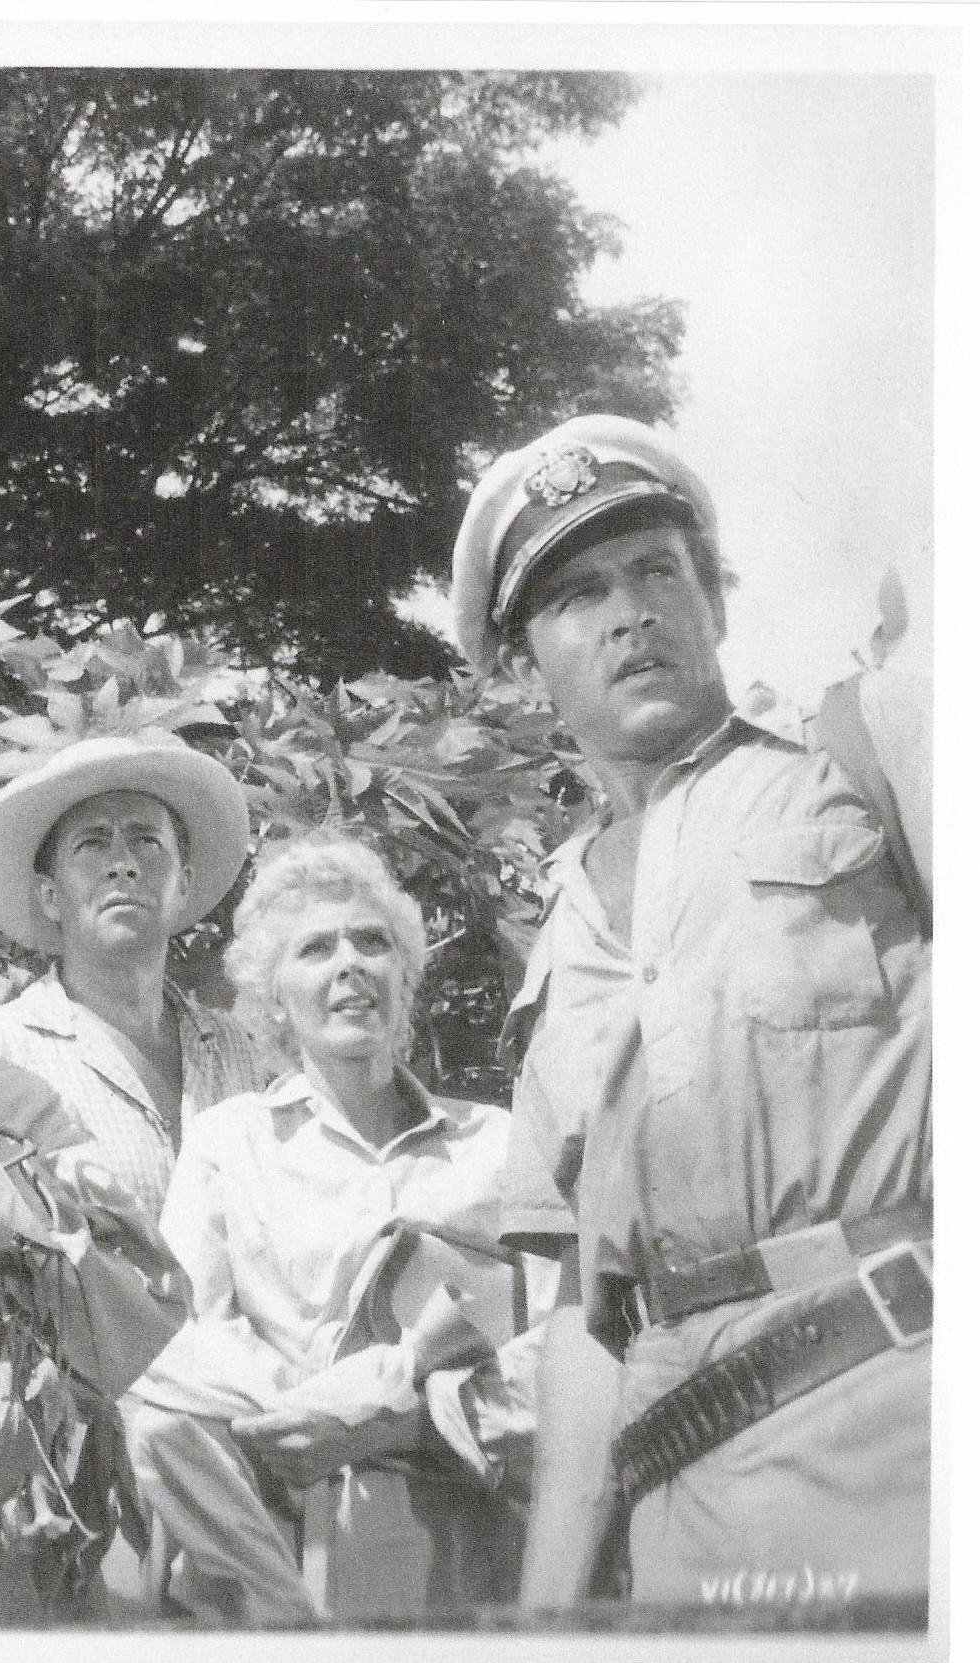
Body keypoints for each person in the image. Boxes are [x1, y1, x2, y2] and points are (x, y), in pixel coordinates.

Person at [449, 414, 931, 1607]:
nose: (628, 612)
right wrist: (548, 1611)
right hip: (691, 1503)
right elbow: (579, 1313)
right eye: (575, 594)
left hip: (907, 1422)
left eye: (657, 570)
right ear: (519, 669)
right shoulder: (552, 943)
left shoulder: (861, 754)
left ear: (712, 601)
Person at [123, 837, 553, 1626]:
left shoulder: (499, 1143)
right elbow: (174, 1343)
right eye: (316, 948)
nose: (351, 962)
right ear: (272, 999)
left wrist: (411, 1414)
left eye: (373, 941)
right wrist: (317, 1408)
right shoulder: (230, 1143)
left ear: (406, 977)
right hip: (288, 1546)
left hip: (480, 1539)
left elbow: (568, 1348)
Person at [0, 734, 271, 1221]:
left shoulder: (239, 1050)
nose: (122, 865)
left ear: (183, 883)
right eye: (92, 844)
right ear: (48, 896)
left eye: (146, 841)